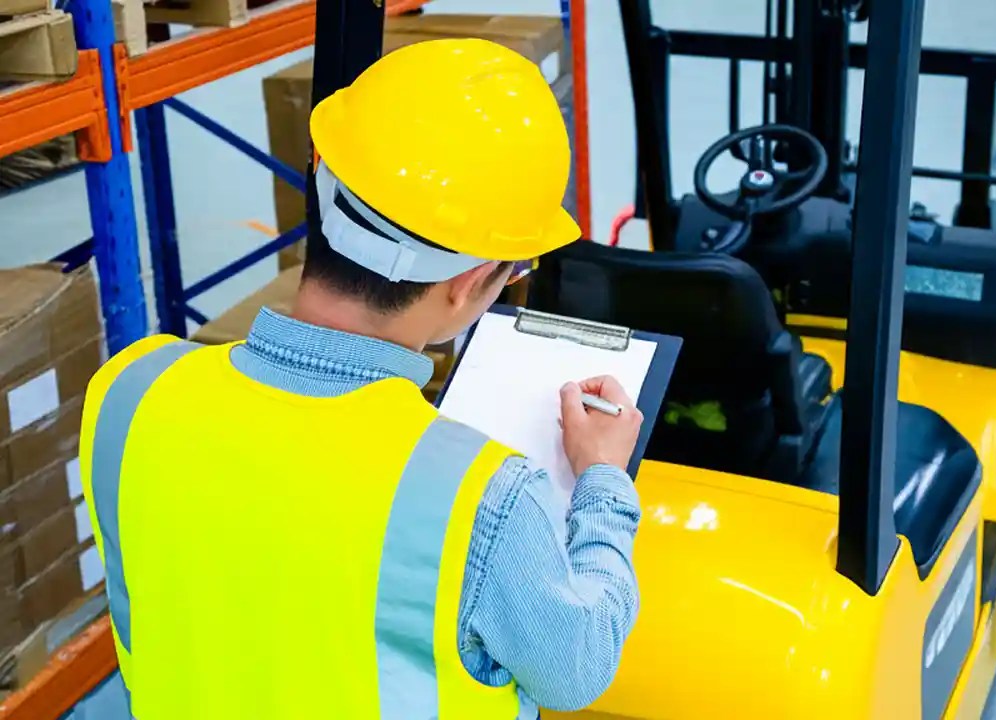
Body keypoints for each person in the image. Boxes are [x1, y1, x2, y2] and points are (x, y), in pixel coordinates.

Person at [80, 39, 642, 719]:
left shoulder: (128, 393)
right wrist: (604, 481)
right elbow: (577, 669)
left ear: (320, 181)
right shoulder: (488, 500)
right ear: (469, 283)